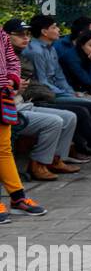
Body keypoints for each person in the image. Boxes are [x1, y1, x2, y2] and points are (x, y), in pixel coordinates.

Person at [21, 15, 91, 168]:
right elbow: (45, 82)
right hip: (50, 94)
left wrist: (71, 91)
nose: (58, 30)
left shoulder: (52, 48)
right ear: (44, 31)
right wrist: (69, 92)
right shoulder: (44, 52)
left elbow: (60, 76)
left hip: (73, 90)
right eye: (54, 27)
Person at [2, 20, 79, 181]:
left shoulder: (20, 56)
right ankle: (38, 163)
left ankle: (54, 159)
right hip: (11, 109)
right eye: (20, 35)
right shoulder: (22, 55)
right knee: (54, 122)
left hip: (24, 103)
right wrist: (15, 87)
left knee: (70, 117)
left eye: (27, 34)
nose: (26, 38)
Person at [0, 22, 48, 222]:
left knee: (3, 150)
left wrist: (12, 79)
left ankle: (18, 198)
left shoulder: (1, 35)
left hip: (2, 97)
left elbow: (11, 59)